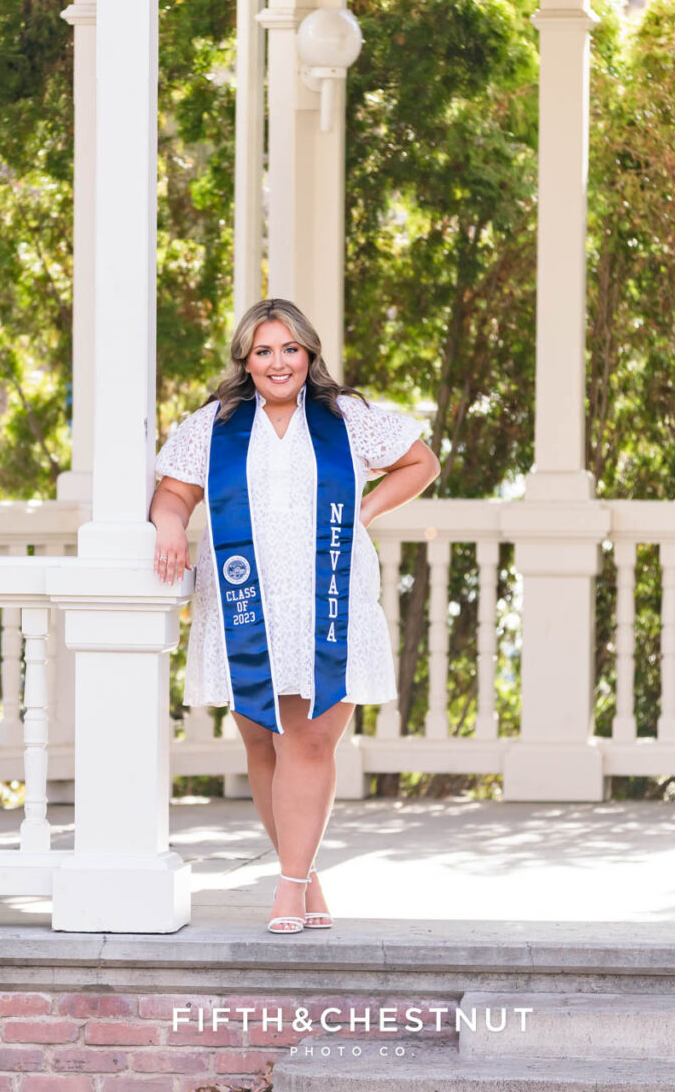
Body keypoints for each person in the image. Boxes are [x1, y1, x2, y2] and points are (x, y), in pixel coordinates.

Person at [148, 297, 440, 935]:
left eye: (289, 349)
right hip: (245, 600)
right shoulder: (214, 424)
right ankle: (304, 876)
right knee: (264, 742)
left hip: (327, 597)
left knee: (308, 739)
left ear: (308, 353)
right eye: (263, 351)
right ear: (245, 361)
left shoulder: (348, 418)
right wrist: (170, 525)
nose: (278, 363)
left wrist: (364, 514)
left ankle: (285, 888)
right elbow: (173, 492)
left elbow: (421, 462)